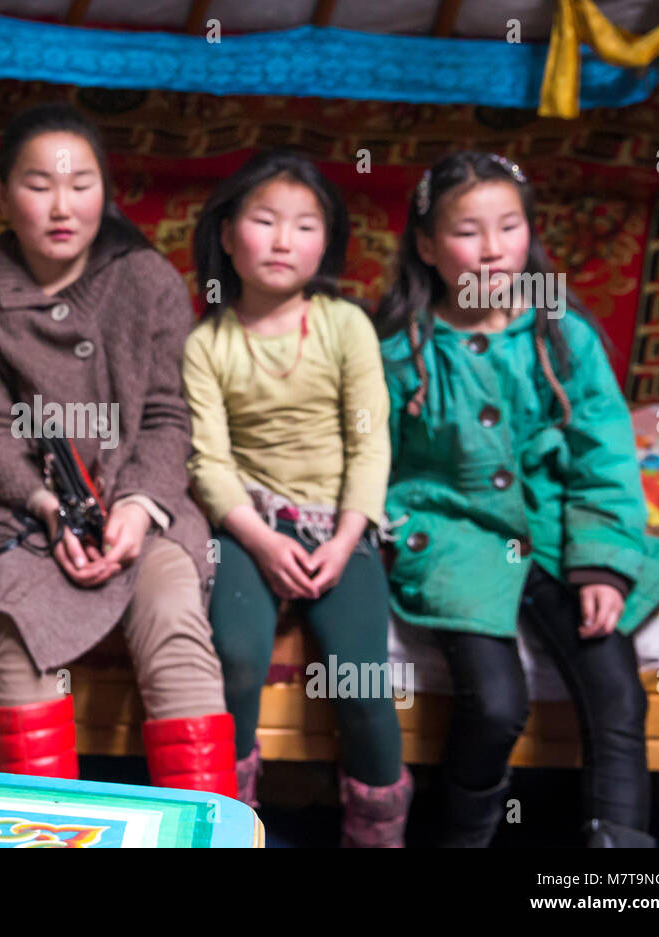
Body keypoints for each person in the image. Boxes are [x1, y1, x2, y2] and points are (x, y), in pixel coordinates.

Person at [376, 150, 659, 847]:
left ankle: (617, 863)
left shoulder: (561, 333)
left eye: (508, 227)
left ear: (529, 233)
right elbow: (371, 463)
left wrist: (602, 564)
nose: (492, 249)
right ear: (426, 245)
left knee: (616, 690)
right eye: (467, 232)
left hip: (551, 526)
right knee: (494, 702)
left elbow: (602, 454)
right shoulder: (402, 350)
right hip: (451, 534)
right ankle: (459, 837)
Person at [0, 103, 236, 795]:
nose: (62, 205)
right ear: (2, 193)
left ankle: (201, 833)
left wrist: (136, 505)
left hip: (140, 503)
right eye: (39, 184)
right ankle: (40, 833)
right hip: (29, 509)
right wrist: (48, 506)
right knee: (12, 620)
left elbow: (166, 417)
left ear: (107, 190)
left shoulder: (148, 281)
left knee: (173, 613)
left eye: (83, 183)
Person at [183, 150, 412, 845]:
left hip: (339, 526)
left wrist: (345, 541)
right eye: (264, 220)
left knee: (362, 677)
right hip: (248, 526)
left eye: (305, 225)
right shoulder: (206, 341)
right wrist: (259, 538)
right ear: (227, 234)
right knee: (238, 654)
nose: (283, 240)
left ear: (328, 241)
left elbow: (371, 442)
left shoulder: (346, 325)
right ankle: (231, 824)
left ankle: (377, 834)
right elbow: (208, 460)